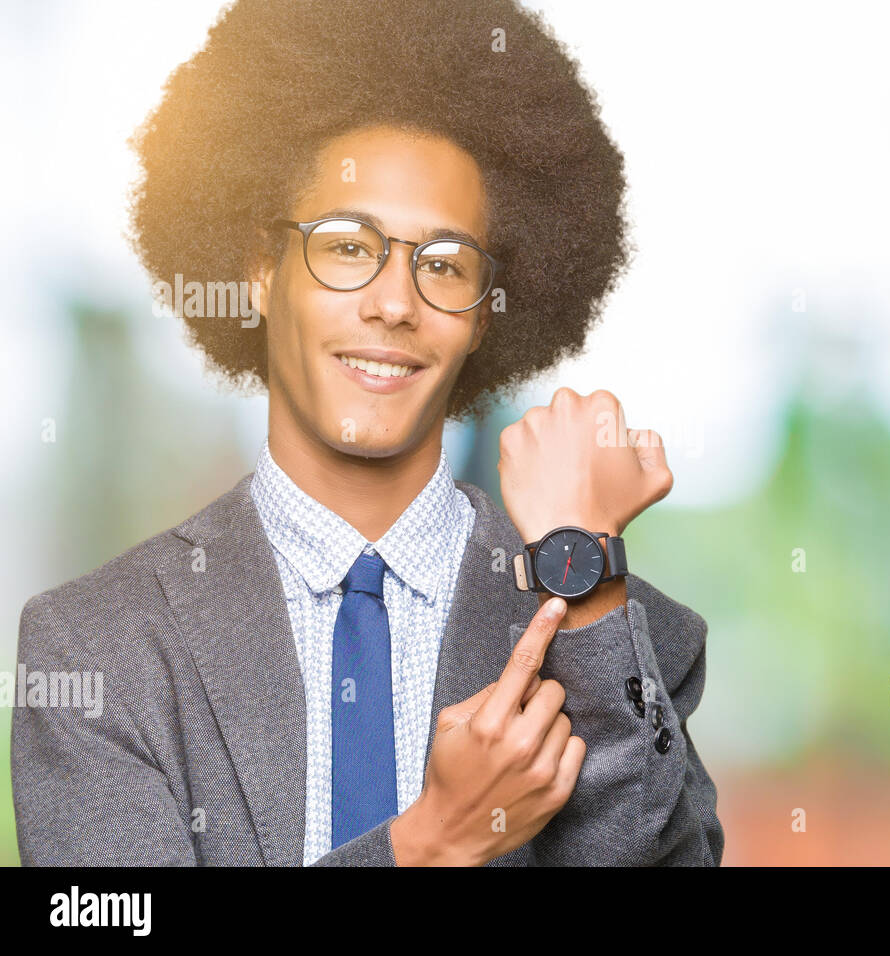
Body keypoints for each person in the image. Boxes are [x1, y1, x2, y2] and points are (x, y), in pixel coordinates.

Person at [11, 0, 722, 866]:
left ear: (487, 318)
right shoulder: (96, 650)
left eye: (444, 264)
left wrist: (588, 579)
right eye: (348, 247)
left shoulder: (627, 635)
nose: (395, 301)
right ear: (259, 275)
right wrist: (430, 843)